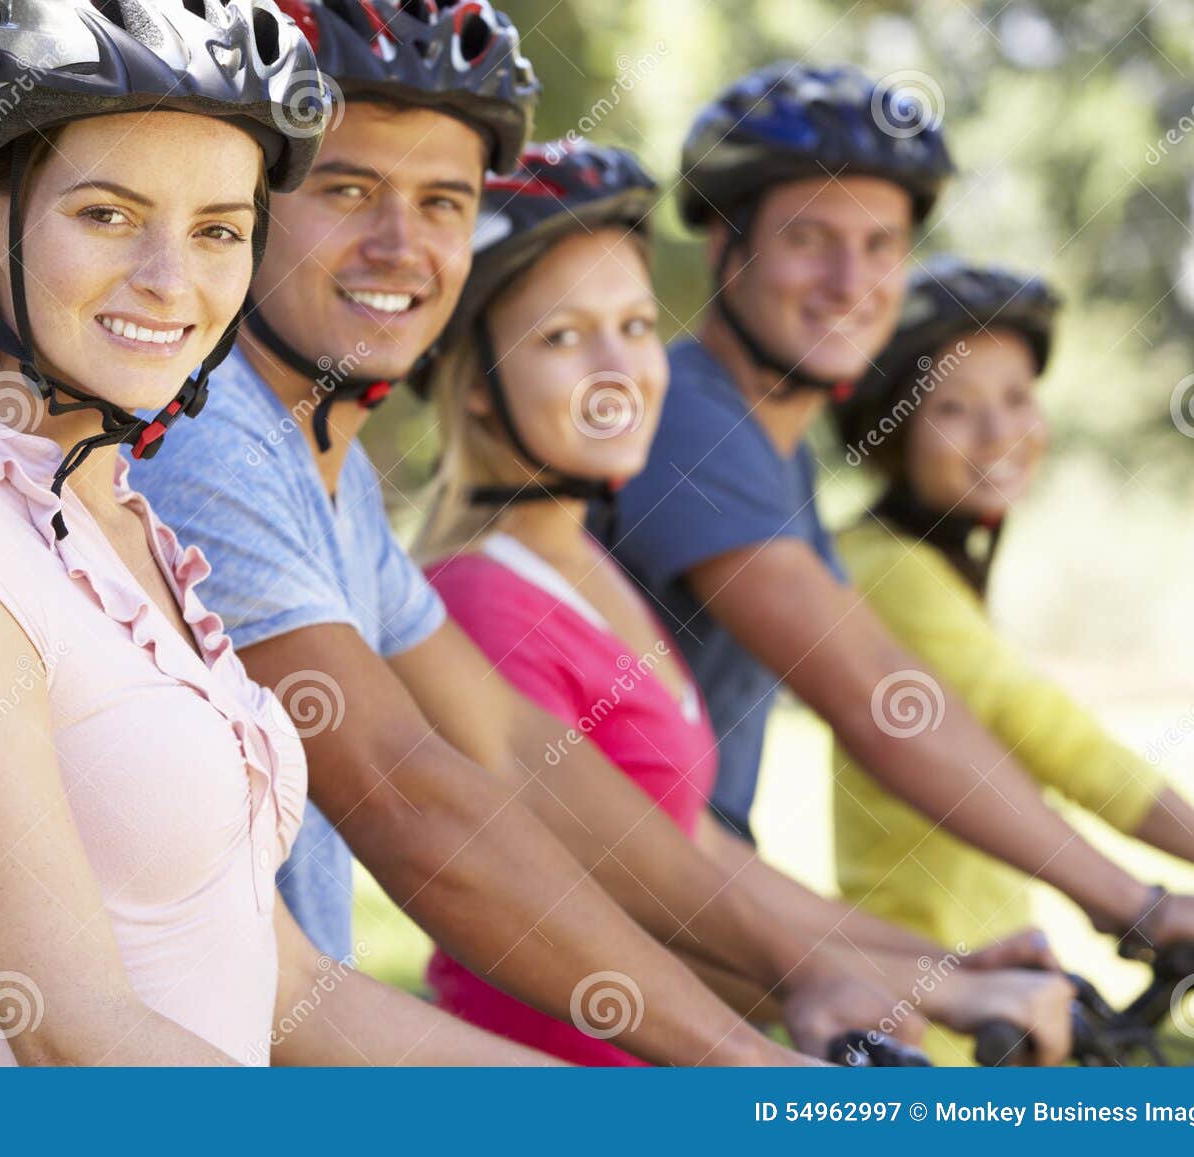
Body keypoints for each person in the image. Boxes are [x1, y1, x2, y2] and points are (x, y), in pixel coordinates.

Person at [135, 0, 913, 1066]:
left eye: (442, 200)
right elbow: (413, 800)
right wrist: (748, 1064)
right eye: (348, 189)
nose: (400, 245)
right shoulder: (208, 443)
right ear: (248, 206)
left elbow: (512, 751)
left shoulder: (332, 473)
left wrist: (805, 969)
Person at [0, 0, 555, 1068]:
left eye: (218, 229)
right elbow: (73, 1029)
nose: (171, 280)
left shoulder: (128, 525)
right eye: (108, 214)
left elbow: (291, 987)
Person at [411, 140, 1077, 1066]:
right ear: (477, 385)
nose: (621, 371)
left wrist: (939, 969)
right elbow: (607, 902)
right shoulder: (482, 603)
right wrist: (868, 985)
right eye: (563, 338)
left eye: (638, 326)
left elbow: (698, 858)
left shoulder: (586, 567)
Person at [608, 60, 1194, 993]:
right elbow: (876, 694)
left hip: (683, 944)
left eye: (882, 245)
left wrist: (936, 965)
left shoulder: (771, 449)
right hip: (606, 974)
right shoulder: (690, 419)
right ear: (723, 247)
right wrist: (1137, 905)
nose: (851, 280)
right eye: (809, 238)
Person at [830, 257, 1194, 954]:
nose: (1000, 432)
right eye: (953, 407)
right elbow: (1058, 740)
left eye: (1017, 396)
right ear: (890, 429)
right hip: (931, 1013)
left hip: (990, 989)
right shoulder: (885, 571)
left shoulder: (927, 564)